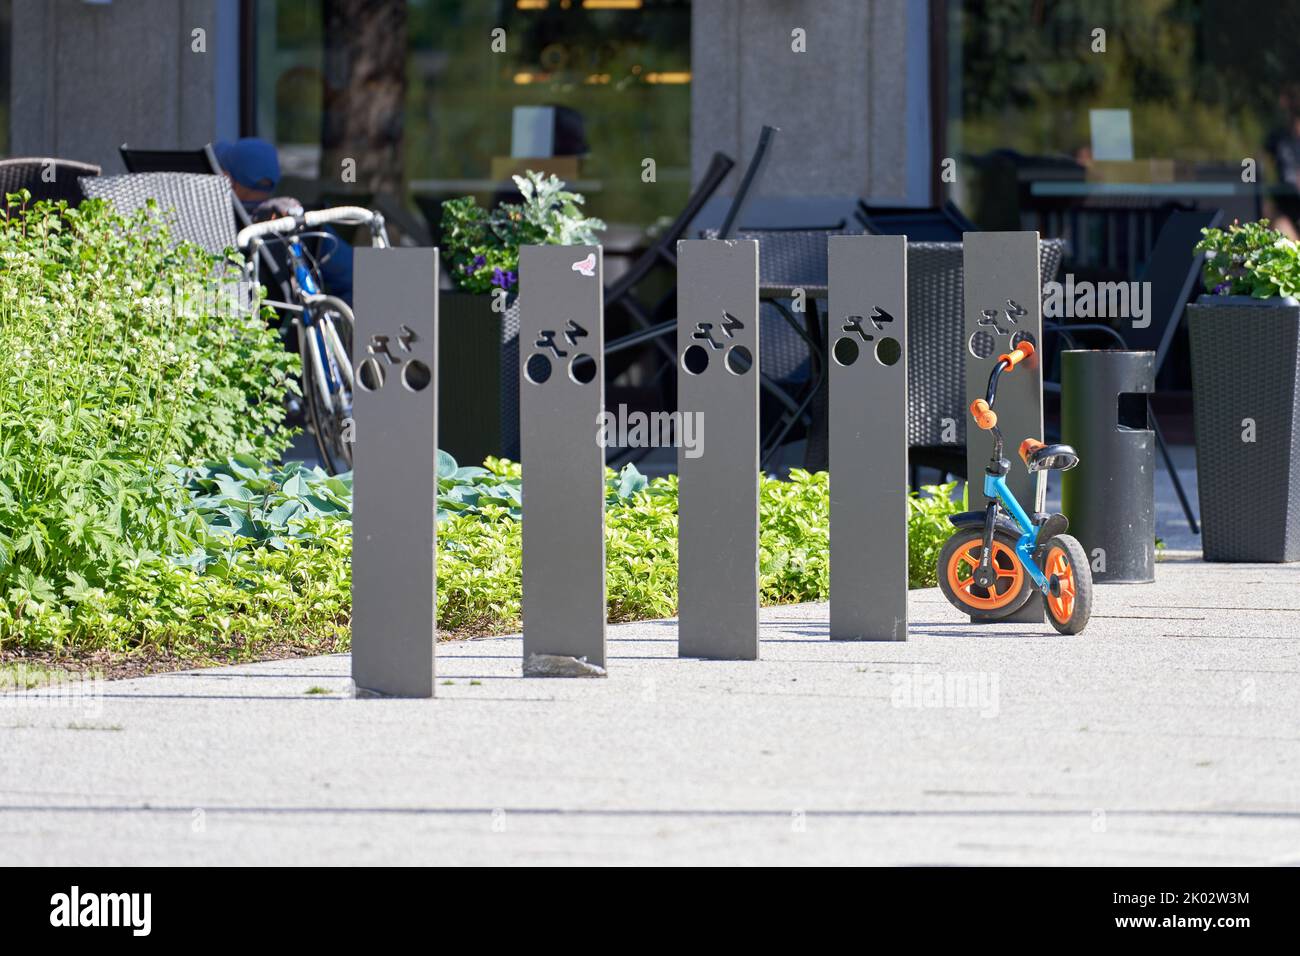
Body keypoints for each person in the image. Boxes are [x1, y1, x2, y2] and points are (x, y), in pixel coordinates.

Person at [213, 137, 354, 303]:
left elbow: (219, 306)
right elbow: (357, 275)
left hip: (243, 323)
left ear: (227, 180)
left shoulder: (217, 228)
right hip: (291, 321)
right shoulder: (299, 221)